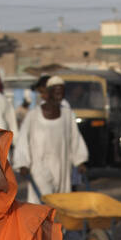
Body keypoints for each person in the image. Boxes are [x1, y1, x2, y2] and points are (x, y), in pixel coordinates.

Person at [12, 76, 88, 204]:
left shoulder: (67, 114)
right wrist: (23, 163)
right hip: (39, 167)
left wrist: (80, 161)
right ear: (48, 92)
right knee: (42, 203)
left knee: (61, 203)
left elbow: (75, 139)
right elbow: (23, 141)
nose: (59, 94)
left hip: (62, 166)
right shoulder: (33, 115)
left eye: (61, 91)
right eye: (55, 90)